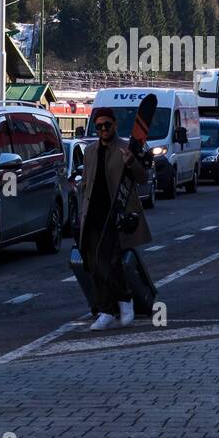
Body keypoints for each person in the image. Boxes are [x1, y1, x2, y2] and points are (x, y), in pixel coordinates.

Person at [78, 107, 151, 331]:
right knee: (94, 264)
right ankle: (111, 307)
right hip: (92, 215)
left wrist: (131, 162)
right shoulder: (89, 151)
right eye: (99, 126)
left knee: (110, 262)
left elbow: (141, 178)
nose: (103, 130)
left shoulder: (125, 148)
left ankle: (119, 303)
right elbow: (87, 181)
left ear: (115, 125)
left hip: (116, 215)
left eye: (106, 125)